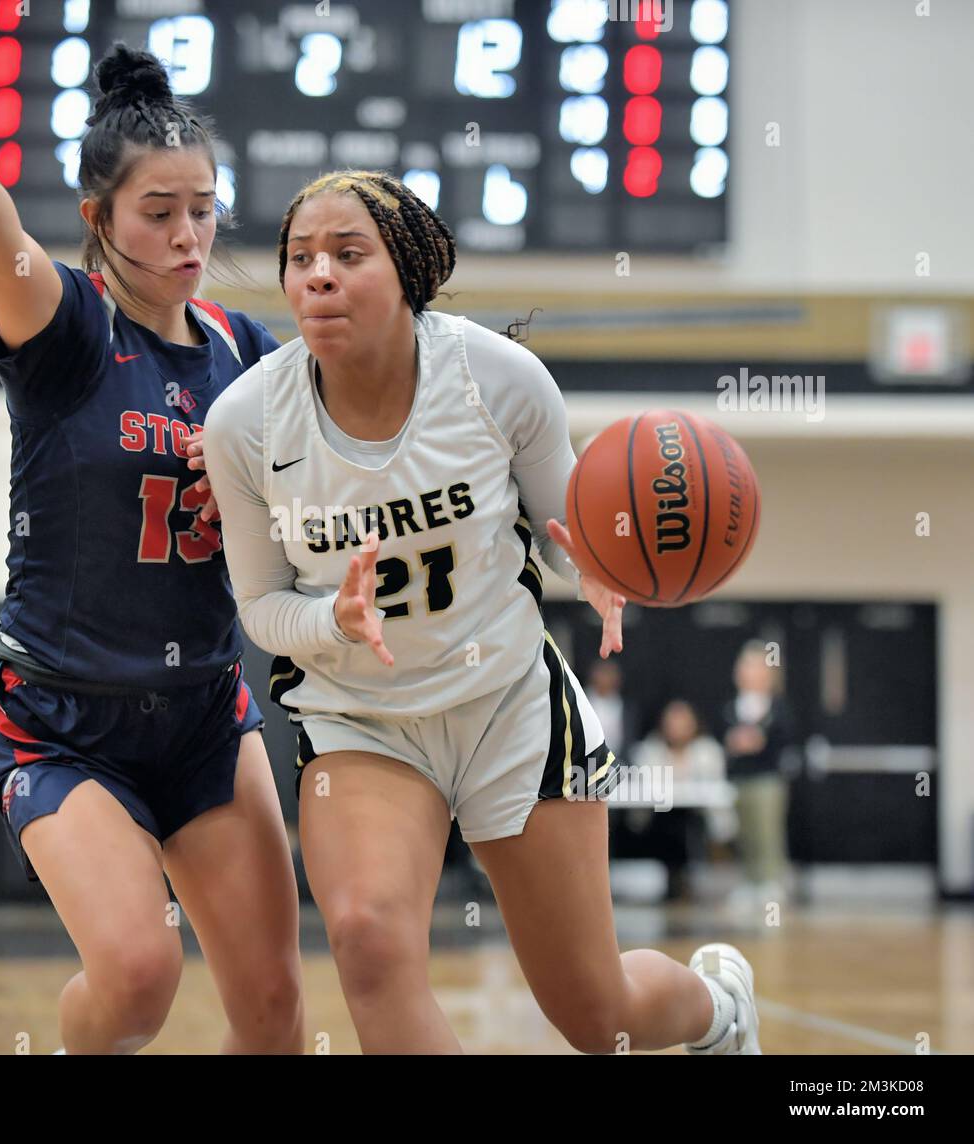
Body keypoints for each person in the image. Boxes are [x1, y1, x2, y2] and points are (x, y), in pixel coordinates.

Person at [201, 169, 760, 1054]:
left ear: (409, 271)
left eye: (349, 254)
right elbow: (262, 607)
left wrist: (600, 566)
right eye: (300, 257)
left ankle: (719, 1011)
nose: (318, 275)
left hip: (508, 708)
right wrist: (332, 625)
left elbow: (565, 521)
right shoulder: (244, 424)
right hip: (362, 721)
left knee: (596, 1013)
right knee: (370, 946)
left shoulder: (498, 380)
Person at [0, 5, 303, 1054]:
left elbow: (309, 504)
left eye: (203, 210)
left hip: (199, 716)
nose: (189, 236)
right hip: (61, 711)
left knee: (274, 1013)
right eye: (158, 213)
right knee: (139, 976)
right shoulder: (63, 331)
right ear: (100, 218)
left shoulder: (249, 351)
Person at [615, 700, 733, 901]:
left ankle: (685, 879)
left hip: (697, 817)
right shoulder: (650, 750)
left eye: (683, 722)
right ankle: (672, 879)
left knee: (686, 824)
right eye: (672, 722)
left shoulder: (707, 751)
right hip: (658, 816)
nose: (677, 728)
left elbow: (712, 786)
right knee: (667, 821)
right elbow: (647, 785)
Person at [721, 640, 795, 902]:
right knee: (745, 832)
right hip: (740, 778)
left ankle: (771, 883)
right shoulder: (732, 706)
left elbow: (783, 739)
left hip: (767, 780)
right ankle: (750, 882)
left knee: (767, 832)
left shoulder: (777, 707)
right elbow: (724, 738)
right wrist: (735, 742)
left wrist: (759, 741)